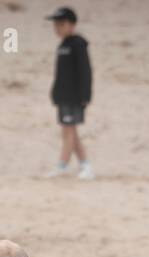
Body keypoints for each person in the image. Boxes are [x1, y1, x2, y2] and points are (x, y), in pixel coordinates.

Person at [45, 6, 93, 180]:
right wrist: (55, 93)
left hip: (75, 97)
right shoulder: (63, 45)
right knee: (70, 133)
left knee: (69, 132)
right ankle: (86, 165)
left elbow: (85, 71)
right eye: (56, 25)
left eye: (61, 24)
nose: (58, 28)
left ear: (72, 25)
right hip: (64, 97)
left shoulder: (78, 45)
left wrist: (85, 95)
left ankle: (62, 165)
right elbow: (60, 74)